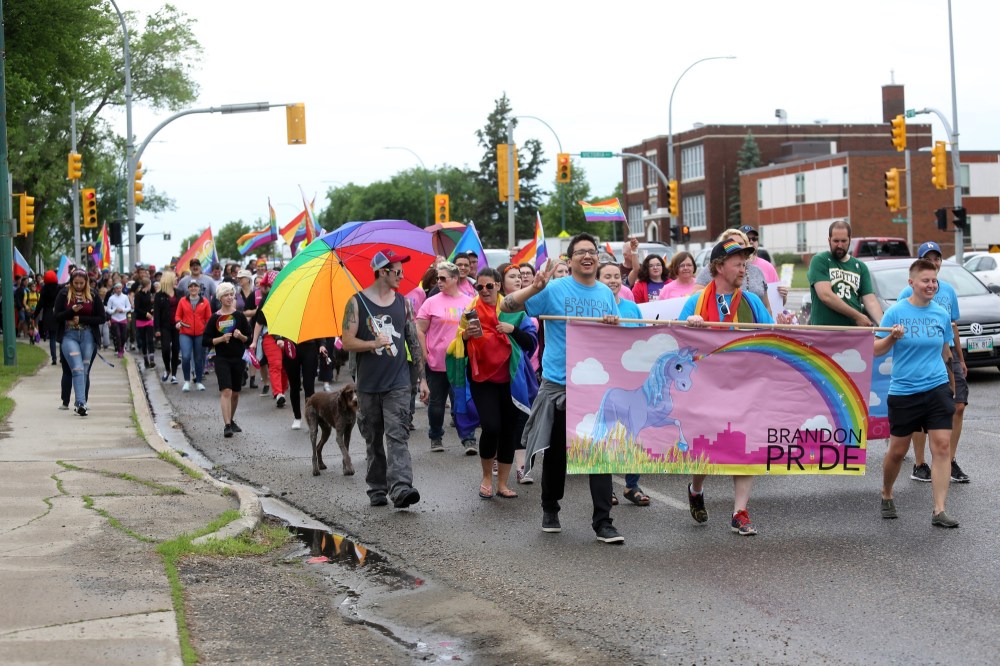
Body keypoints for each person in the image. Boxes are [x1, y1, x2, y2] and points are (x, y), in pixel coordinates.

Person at [501, 232, 625, 544]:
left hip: (595, 386)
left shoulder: (605, 294)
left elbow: (616, 337)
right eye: (581, 252)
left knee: (599, 454)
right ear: (570, 260)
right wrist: (535, 287)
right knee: (557, 454)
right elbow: (507, 305)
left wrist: (614, 324)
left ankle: (603, 522)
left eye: (592, 251)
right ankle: (550, 508)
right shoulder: (554, 288)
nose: (588, 256)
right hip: (559, 385)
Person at [680, 238, 791, 536]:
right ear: (719, 267)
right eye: (738, 264)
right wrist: (690, 326)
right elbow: (677, 343)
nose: (744, 269)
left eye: (745, 264)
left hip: (745, 386)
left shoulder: (752, 302)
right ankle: (696, 488)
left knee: (746, 444)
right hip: (707, 387)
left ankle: (739, 512)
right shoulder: (696, 302)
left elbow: (769, 338)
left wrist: (781, 326)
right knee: (706, 447)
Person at [341, 249, 428, 509]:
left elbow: (413, 342)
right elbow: (347, 341)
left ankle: (401, 488)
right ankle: (377, 488)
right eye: (397, 271)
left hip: (398, 383)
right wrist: (372, 343)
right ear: (382, 272)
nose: (402, 276)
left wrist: (422, 380)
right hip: (368, 386)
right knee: (373, 439)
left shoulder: (404, 303)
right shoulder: (356, 303)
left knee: (397, 435)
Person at [875, 258, 959, 528]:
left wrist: (953, 382)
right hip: (905, 391)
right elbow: (875, 349)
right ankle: (887, 492)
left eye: (934, 280)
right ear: (911, 283)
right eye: (925, 280)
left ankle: (939, 509)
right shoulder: (895, 313)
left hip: (936, 388)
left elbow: (945, 351)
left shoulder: (941, 314)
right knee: (898, 451)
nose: (931, 285)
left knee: (942, 446)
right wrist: (892, 337)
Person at [453, 268, 538, 500]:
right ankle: (486, 478)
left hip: (511, 380)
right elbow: (457, 348)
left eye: (489, 286)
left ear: (498, 286)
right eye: (479, 287)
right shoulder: (470, 312)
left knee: (508, 430)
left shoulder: (515, 311)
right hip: (482, 379)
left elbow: (530, 343)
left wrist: (513, 330)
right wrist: (465, 337)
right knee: (491, 427)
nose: (484, 290)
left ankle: (502, 484)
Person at [898, 242, 969, 484]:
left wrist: (960, 358)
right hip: (922, 357)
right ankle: (920, 464)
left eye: (936, 258)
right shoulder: (907, 293)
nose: (934, 262)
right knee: (921, 411)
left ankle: (949, 460)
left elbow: (952, 326)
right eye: (928, 258)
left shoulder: (947, 291)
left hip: (946, 353)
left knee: (958, 405)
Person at [598, 262, 651, 507]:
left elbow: (642, 339)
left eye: (617, 276)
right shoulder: (594, 307)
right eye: (607, 276)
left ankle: (632, 485)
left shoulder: (632, 308)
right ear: (597, 281)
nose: (613, 280)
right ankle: (606, 488)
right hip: (605, 381)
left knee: (634, 432)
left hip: (631, 380)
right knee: (607, 433)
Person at [416, 261, 474, 453]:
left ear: (455, 279)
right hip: (437, 362)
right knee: (436, 403)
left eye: (443, 278)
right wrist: (424, 352)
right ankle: (435, 436)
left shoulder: (469, 302)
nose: (439, 282)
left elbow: (476, 329)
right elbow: (420, 329)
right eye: (437, 278)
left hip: (461, 361)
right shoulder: (431, 302)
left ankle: (468, 438)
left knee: (462, 401)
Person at [807, 220, 882, 326]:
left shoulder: (860, 267)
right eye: (836, 241)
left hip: (852, 331)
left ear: (850, 240)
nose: (840, 245)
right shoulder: (820, 260)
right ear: (829, 240)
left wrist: (883, 326)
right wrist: (857, 316)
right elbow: (826, 296)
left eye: (843, 241)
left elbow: (870, 301)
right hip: (825, 331)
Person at [54, 270, 106, 416]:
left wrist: (82, 319)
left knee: (85, 368)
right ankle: (80, 403)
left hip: (88, 334)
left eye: (81, 283)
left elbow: (102, 318)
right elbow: (56, 316)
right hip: (69, 334)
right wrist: (71, 311)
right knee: (77, 368)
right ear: (71, 282)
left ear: (86, 282)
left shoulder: (93, 294)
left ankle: (81, 402)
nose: (78, 286)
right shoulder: (63, 294)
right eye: (75, 283)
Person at [203, 282, 251, 438]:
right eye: (226, 295)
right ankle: (227, 425)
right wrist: (221, 339)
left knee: (235, 393)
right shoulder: (215, 318)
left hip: (238, 358)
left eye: (231, 294)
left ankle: (231, 419)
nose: (230, 297)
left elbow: (249, 339)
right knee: (226, 390)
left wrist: (241, 336)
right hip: (222, 358)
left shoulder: (240, 316)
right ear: (220, 298)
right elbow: (205, 340)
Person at [696, 228, 772, 314]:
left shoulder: (757, 272)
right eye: (733, 243)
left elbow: (767, 306)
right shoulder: (711, 269)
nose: (737, 247)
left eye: (740, 243)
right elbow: (696, 294)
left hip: (755, 319)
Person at [250, 271, 289, 408]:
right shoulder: (266, 300)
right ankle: (278, 393)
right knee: (275, 364)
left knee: (285, 367)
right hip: (270, 336)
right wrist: (254, 341)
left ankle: (282, 391)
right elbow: (259, 322)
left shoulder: (289, 298)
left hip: (287, 336)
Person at [175, 279, 211, 392]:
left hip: (200, 333)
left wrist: (206, 329)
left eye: (195, 286)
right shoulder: (182, 301)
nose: (193, 288)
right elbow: (178, 315)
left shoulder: (205, 301)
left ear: (199, 288)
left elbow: (208, 318)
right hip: (185, 332)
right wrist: (178, 322)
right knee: (185, 356)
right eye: (191, 286)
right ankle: (186, 381)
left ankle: (199, 381)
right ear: (188, 288)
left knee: (199, 358)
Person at [739, 225, 788, 305]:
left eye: (754, 239)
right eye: (747, 239)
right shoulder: (733, 266)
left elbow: (777, 304)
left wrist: (783, 297)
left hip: (763, 312)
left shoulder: (768, 267)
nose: (751, 241)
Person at [154, 272, 181, 383]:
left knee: (176, 349)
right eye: (174, 278)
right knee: (165, 349)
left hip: (177, 325)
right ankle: (167, 368)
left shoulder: (179, 293)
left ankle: (174, 374)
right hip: (165, 326)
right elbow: (156, 313)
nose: (176, 280)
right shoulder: (159, 295)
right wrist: (157, 329)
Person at [35, 270, 61, 365]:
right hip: (58, 313)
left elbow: (40, 304)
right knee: (61, 337)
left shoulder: (44, 289)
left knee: (52, 338)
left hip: (48, 314)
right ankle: (62, 357)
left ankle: (54, 358)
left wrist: (35, 314)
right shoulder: (59, 288)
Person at [132, 277, 156, 369]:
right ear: (148, 285)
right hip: (141, 320)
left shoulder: (149, 294)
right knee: (143, 341)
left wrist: (152, 310)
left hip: (149, 320)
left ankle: (152, 359)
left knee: (150, 339)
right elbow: (137, 309)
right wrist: (146, 313)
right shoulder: (138, 295)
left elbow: (150, 305)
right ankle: (146, 359)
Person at [106, 282, 132, 358]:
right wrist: (114, 311)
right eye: (117, 288)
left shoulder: (125, 297)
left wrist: (123, 310)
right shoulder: (111, 298)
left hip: (123, 319)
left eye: (120, 288)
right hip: (115, 319)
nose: (119, 290)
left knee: (124, 336)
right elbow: (108, 309)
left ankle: (122, 347)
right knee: (117, 335)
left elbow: (129, 307)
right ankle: (119, 350)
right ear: (114, 289)